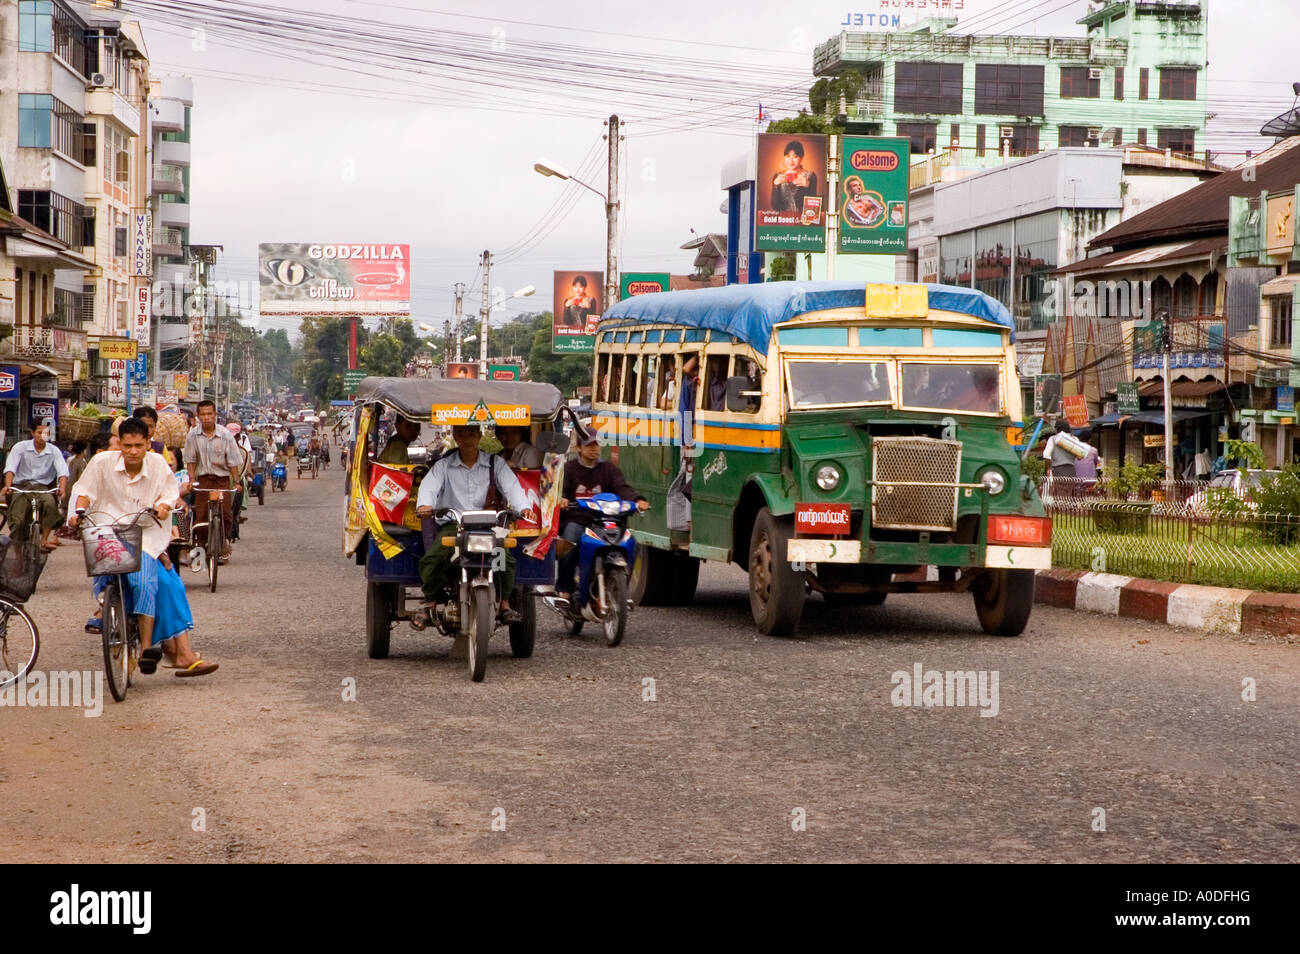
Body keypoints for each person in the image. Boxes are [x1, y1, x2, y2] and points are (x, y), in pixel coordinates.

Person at [67, 417, 217, 678]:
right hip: (107, 531)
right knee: (161, 582)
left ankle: (176, 651)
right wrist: (77, 511)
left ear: (149, 443)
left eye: (139, 445)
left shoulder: (158, 464)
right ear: (119, 444)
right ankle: (175, 651)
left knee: (168, 584)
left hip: (146, 535)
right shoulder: (102, 462)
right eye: (128, 446)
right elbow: (84, 490)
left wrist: (163, 507)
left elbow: (170, 495)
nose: (133, 451)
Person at [414, 423, 531, 625]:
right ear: (455, 437)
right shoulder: (443, 465)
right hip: (455, 525)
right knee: (433, 558)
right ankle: (430, 604)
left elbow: (513, 487)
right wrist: (425, 504)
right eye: (461, 434)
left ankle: (504, 605)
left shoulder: (496, 464)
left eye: (471, 433)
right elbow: (429, 487)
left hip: (489, 526)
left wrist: (523, 508)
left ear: (479, 435)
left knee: (505, 558)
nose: (467, 439)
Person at [554, 429, 649, 602]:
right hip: (578, 519)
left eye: (597, 444)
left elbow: (622, 488)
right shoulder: (569, 469)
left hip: (604, 521)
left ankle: (618, 587)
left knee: (630, 543)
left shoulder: (609, 469)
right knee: (569, 540)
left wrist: (637, 500)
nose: (594, 448)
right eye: (589, 445)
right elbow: (560, 490)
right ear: (579, 448)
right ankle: (565, 589)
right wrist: (563, 499)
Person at [182, 400, 242, 560]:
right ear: (198, 416)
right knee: (200, 515)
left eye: (210, 414)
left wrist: (236, 482)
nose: (207, 417)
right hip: (202, 480)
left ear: (215, 415)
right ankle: (201, 547)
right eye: (203, 414)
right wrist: (191, 479)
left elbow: (233, 461)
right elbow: (190, 459)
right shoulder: (193, 435)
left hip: (222, 480)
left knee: (226, 514)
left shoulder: (225, 435)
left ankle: (224, 542)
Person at [3, 421, 69, 553]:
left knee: (50, 505)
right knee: (18, 520)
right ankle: (16, 551)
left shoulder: (54, 451)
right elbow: (10, 468)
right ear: (32, 433)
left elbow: (62, 471)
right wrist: (8, 486)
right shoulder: (20, 447)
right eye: (39, 432)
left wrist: (62, 488)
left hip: (42, 487)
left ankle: (44, 540)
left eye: (46, 433)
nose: (42, 436)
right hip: (21, 487)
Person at [769, 140, 818, 214]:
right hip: (783, 221)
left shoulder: (810, 176)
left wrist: (808, 186)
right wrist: (776, 186)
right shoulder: (778, 176)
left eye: (795, 157)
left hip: (803, 222)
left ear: (801, 158)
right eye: (788, 156)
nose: (791, 161)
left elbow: (813, 208)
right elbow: (775, 207)